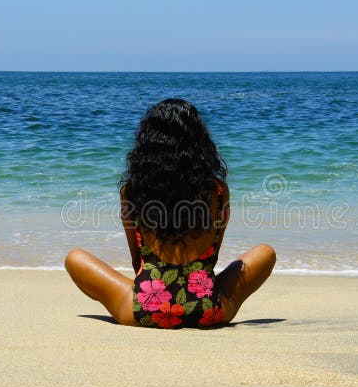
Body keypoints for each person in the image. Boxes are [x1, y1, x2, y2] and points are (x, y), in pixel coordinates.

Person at [65, 98, 276, 328]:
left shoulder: (132, 191)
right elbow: (212, 257)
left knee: (74, 259)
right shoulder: (217, 192)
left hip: (144, 309)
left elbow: (137, 262)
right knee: (266, 253)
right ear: (200, 143)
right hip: (208, 309)